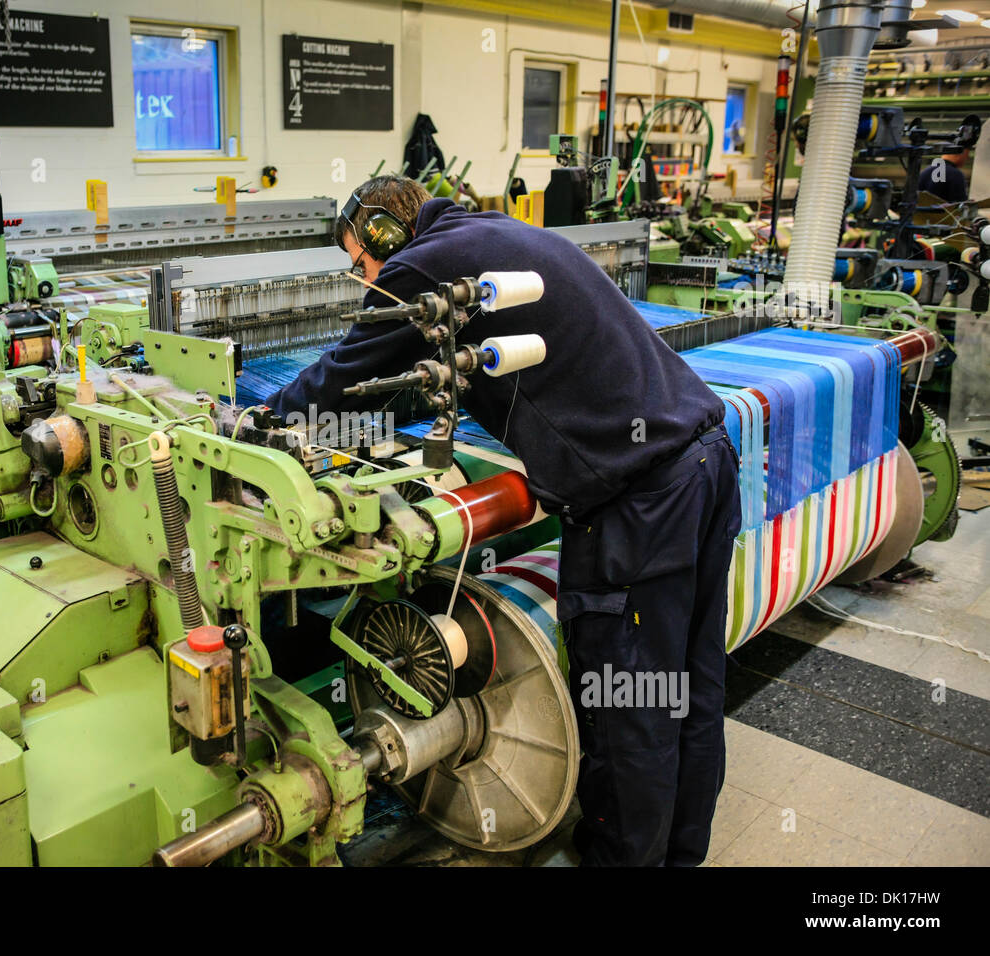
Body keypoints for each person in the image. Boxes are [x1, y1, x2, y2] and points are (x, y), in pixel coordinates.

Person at [265, 175, 743, 866]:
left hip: (638, 509)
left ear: (384, 235)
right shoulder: (493, 234)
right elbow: (414, 374)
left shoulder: (418, 267)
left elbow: (343, 376)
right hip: (702, 467)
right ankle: (678, 853)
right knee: (689, 687)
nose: (362, 278)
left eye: (358, 262)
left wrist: (260, 422)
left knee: (627, 708)